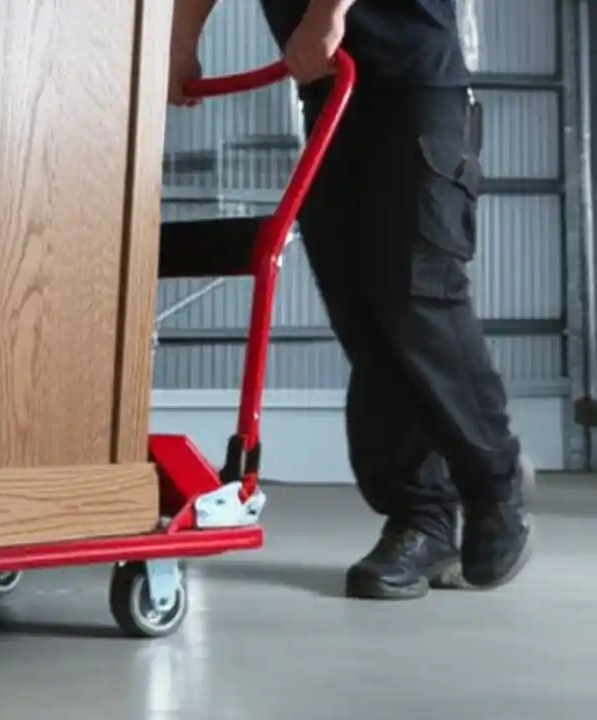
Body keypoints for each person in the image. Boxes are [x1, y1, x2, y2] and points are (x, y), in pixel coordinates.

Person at [168, 0, 535, 600]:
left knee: (419, 299)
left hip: (414, 83)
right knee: (361, 312)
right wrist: (181, 44)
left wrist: (323, 13)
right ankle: (422, 518)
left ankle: (494, 489)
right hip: (331, 95)